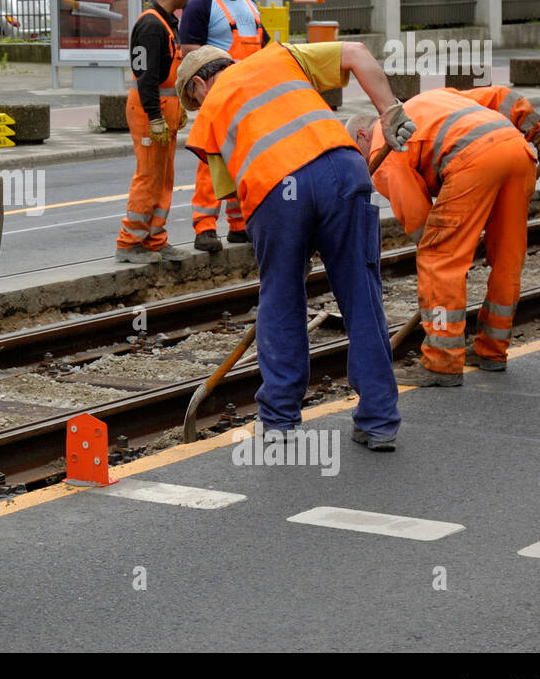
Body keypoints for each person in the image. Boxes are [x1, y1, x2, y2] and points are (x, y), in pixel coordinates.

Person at [176, 40, 417, 450]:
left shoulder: (209, 118)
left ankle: (279, 421)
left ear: (199, 84)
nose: (199, 108)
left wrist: (288, 251)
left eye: (193, 101)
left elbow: (235, 193)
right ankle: (379, 422)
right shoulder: (280, 56)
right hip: (343, 168)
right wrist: (390, 110)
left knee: (282, 299)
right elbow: (357, 53)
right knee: (362, 295)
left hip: (277, 194)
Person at [345, 86, 540, 385]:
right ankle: (492, 351)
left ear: (362, 134)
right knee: (507, 257)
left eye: (356, 155)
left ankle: (441, 363)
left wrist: (450, 245)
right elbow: (500, 96)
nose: (361, 164)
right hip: (517, 151)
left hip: (474, 160)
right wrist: (536, 131)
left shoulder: (383, 149)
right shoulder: (429, 100)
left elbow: (420, 223)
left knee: (438, 259)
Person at [180, 0, 269, 252]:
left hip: (249, 97)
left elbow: (265, 49)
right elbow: (189, 52)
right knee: (212, 160)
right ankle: (205, 228)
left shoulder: (250, 5)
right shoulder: (202, 4)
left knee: (244, 160)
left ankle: (239, 224)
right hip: (219, 97)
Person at [115, 0, 195, 264]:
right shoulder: (152, 26)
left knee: (163, 178)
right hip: (151, 112)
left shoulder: (165, 22)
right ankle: (129, 243)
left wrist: (178, 108)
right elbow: (146, 78)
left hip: (163, 112)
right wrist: (156, 117)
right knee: (149, 177)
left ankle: (154, 239)